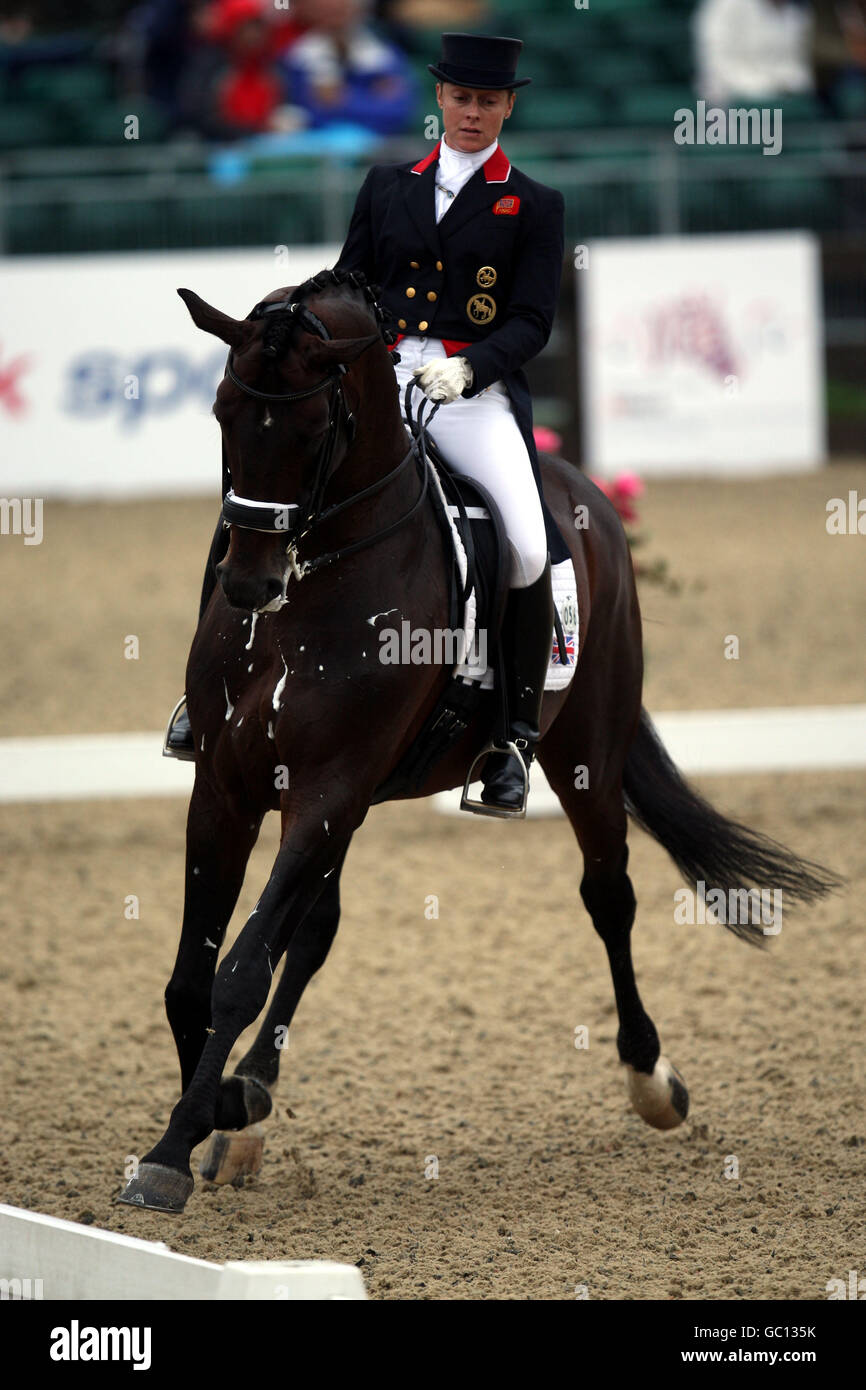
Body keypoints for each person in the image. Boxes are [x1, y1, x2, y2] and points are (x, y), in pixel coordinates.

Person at [165, 32, 569, 817]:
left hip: (468, 391)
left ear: (507, 107)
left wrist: (469, 369)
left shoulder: (536, 204)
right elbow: (351, 280)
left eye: (488, 101)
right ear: (440, 100)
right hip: (375, 376)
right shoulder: (388, 185)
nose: (473, 112)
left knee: (523, 541)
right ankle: (203, 695)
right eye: (461, 97)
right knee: (260, 496)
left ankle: (511, 740)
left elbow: (531, 321)